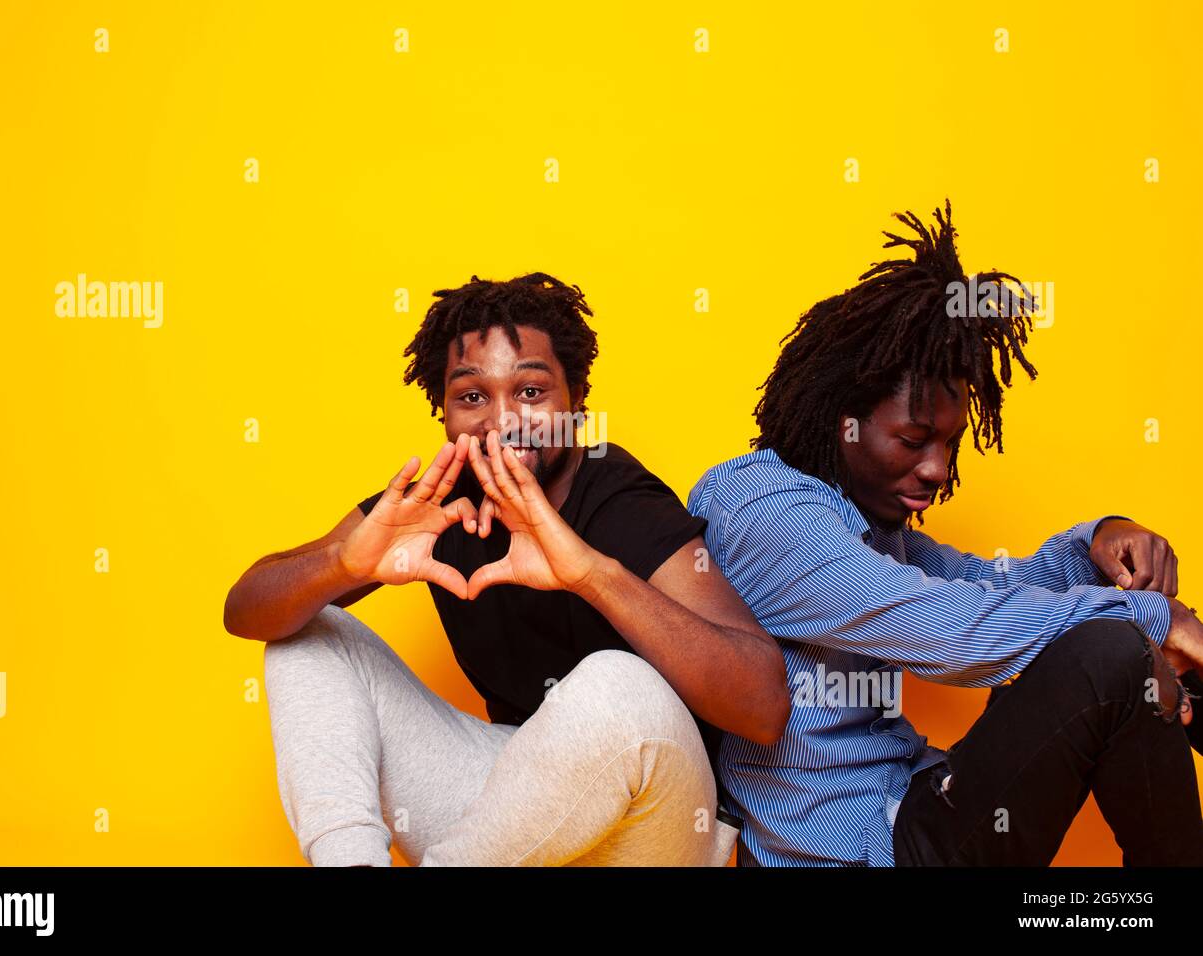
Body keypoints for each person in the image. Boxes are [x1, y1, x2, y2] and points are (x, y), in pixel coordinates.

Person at [688, 201, 1203, 866]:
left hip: (913, 807)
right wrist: (1152, 616)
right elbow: (953, 628)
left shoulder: (867, 521)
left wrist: (1102, 540)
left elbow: (995, 585)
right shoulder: (766, 514)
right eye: (912, 438)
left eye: (951, 443)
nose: (937, 469)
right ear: (839, 415)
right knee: (1112, 651)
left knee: (1130, 658)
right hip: (863, 855)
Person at [224, 271, 788, 866]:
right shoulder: (430, 506)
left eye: (531, 392)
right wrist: (340, 565)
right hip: (509, 821)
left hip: (651, 823)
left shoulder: (616, 493)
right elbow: (246, 611)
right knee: (307, 631)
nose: (502, 419)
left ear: (575, 401)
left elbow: (764, 706)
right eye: (472, 397)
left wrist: (590, 574)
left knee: (616, 681)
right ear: (443, 411)